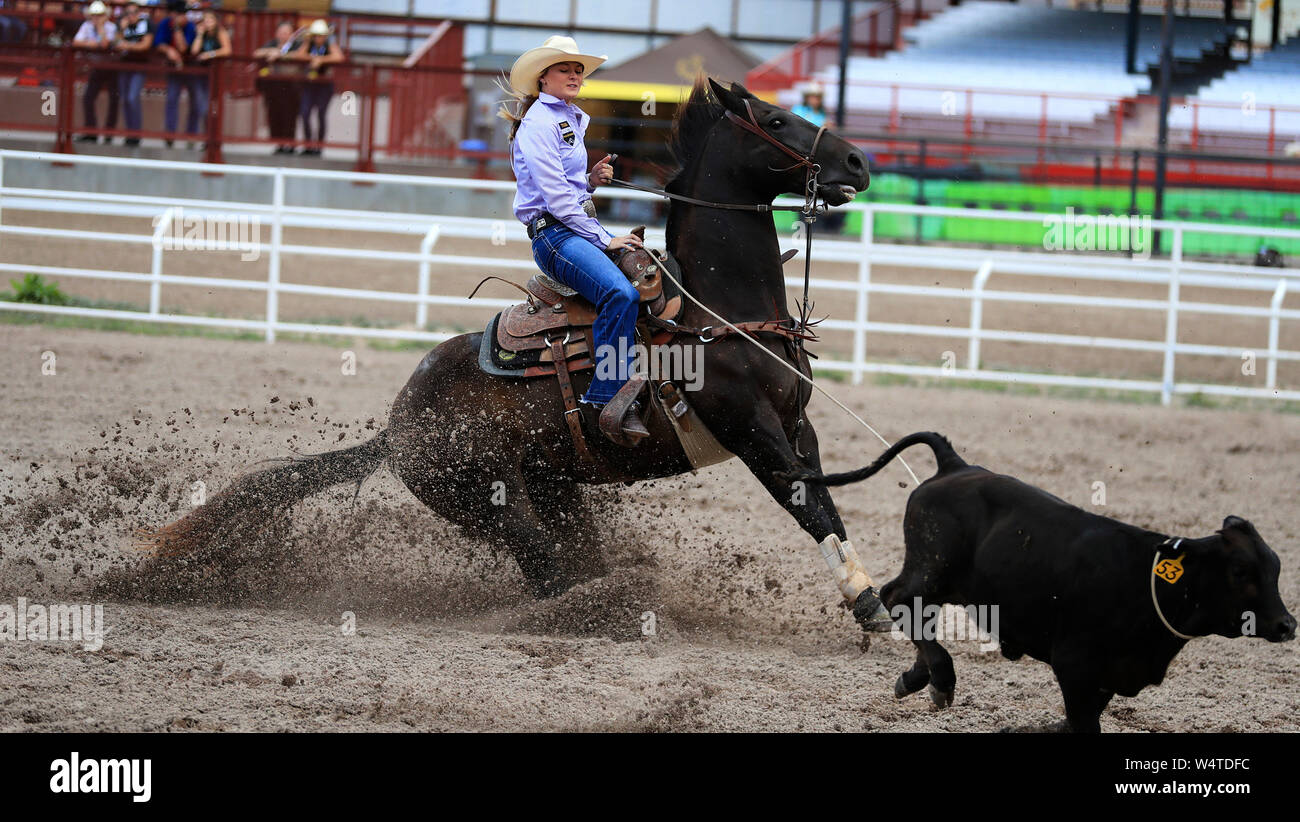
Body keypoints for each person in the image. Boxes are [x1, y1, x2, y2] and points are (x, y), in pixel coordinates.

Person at [499, 35, 649, 445]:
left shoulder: (565, 118)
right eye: (565, 68)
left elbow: (564, 187)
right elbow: (555, 198)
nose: (575, 75)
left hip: (568, 226)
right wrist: (604, 239)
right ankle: (606, 397)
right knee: (621, 295)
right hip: (555, 236)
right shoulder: (538, 125)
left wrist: (589, 180)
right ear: (542, 77)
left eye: (578, 69)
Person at [290, 19, 343, 156]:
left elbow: (338, 57)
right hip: (309, 84)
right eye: (316, 35)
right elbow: (299, 55)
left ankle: (319, 146)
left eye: (321, 35)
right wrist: (312, 57)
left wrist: (321, 60)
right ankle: (308, 144)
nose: (318, 38)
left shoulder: (329, 45)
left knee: (321, 114)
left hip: (324, 86)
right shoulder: (308, 44)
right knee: (305, 113)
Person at [72, 1, 120, 144]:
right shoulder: (86, 26)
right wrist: (91, 44)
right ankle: (91, 132)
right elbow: (76, 42)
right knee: (88, 98)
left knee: (114, 100)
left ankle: (108, 134)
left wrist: (100, 27)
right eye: (94, 15)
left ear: (105, 16)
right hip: (97, 67)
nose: (96, 18)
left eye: (99, 15)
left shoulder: (111, 27)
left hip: (112, 67)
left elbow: (105, 43)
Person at [253, 21, 301, 155]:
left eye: (287, 32)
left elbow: (300, 55)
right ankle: (279, 143)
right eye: (281, 32)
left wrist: (281, 55)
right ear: (276, 33)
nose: (284, 35)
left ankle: (290, 144)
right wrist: (273, 51)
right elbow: (257, 52)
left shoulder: (297, 45)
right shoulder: (272, 43)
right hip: (273, 87)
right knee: (275, 114)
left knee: (290, 115)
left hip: (292, 87)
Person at [154, 0, 196, 147]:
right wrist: (168, 50)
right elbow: (158, 43)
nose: (180, 16)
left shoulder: (190, 26)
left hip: (192, 69)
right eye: (178, 13)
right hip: (174, 69)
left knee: (196, 102)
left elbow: (184, 48)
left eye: (182, 14)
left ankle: (192, 135)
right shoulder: (165, 24)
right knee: (171, 99)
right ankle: (170, 134)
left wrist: (177, 29)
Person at [186, 8, 230, 145]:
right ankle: (192, 136)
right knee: (198, 104)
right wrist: (199, 34)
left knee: (210, 107)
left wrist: (210, 54)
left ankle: (210, 137)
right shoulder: (202, 33)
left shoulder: (220, 33)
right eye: (206, 20)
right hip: (200, 74)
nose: (208, 23)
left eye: (211, 20)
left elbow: (227, 50)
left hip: (215, 75)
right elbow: (194, 50)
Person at [112, 1, 153, 147]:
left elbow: (146, 45)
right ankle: (130, 133)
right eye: (128, 13)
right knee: (125, 98)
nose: (131, 16)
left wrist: (128, 45)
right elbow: (115, 43)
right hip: (124, 65)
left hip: (139, 65)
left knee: (132, 97)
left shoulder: (146, 23)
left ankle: (136, 133)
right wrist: (121, 30)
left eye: (134, 13)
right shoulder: (121, 24)